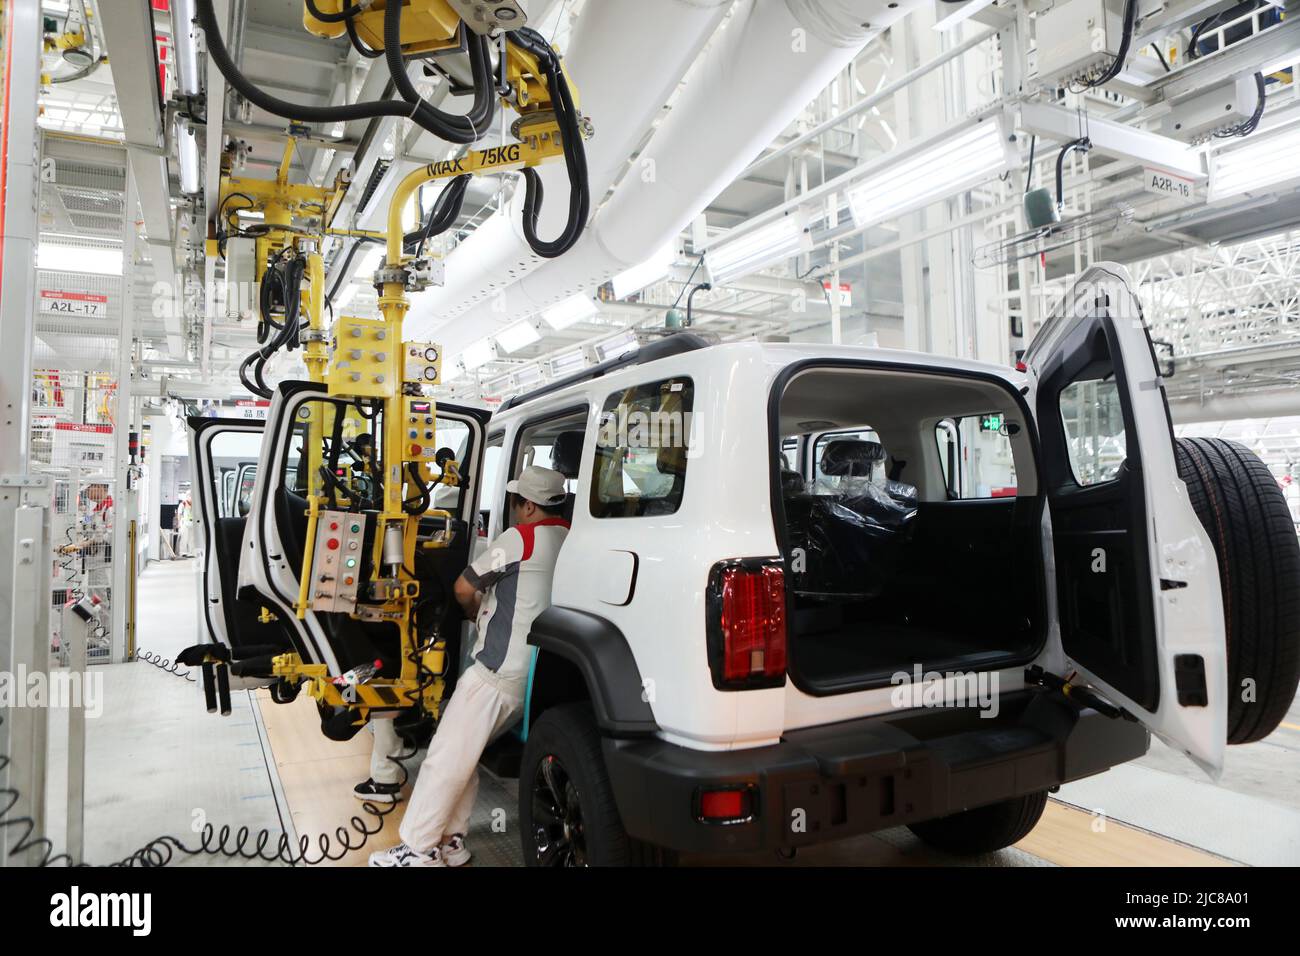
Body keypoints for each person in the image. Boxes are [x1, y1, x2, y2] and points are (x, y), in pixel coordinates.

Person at [368, 465, 570, 867]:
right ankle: (451, 842)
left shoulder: (520, 538)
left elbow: (463, 586)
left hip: (494, 672)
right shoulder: (567, 537)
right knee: (464, 755)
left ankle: (419, 848)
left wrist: (474, 610)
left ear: (528, 505)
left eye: (517, 503)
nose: (515, 510)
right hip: (532, 675)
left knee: (444, 756)